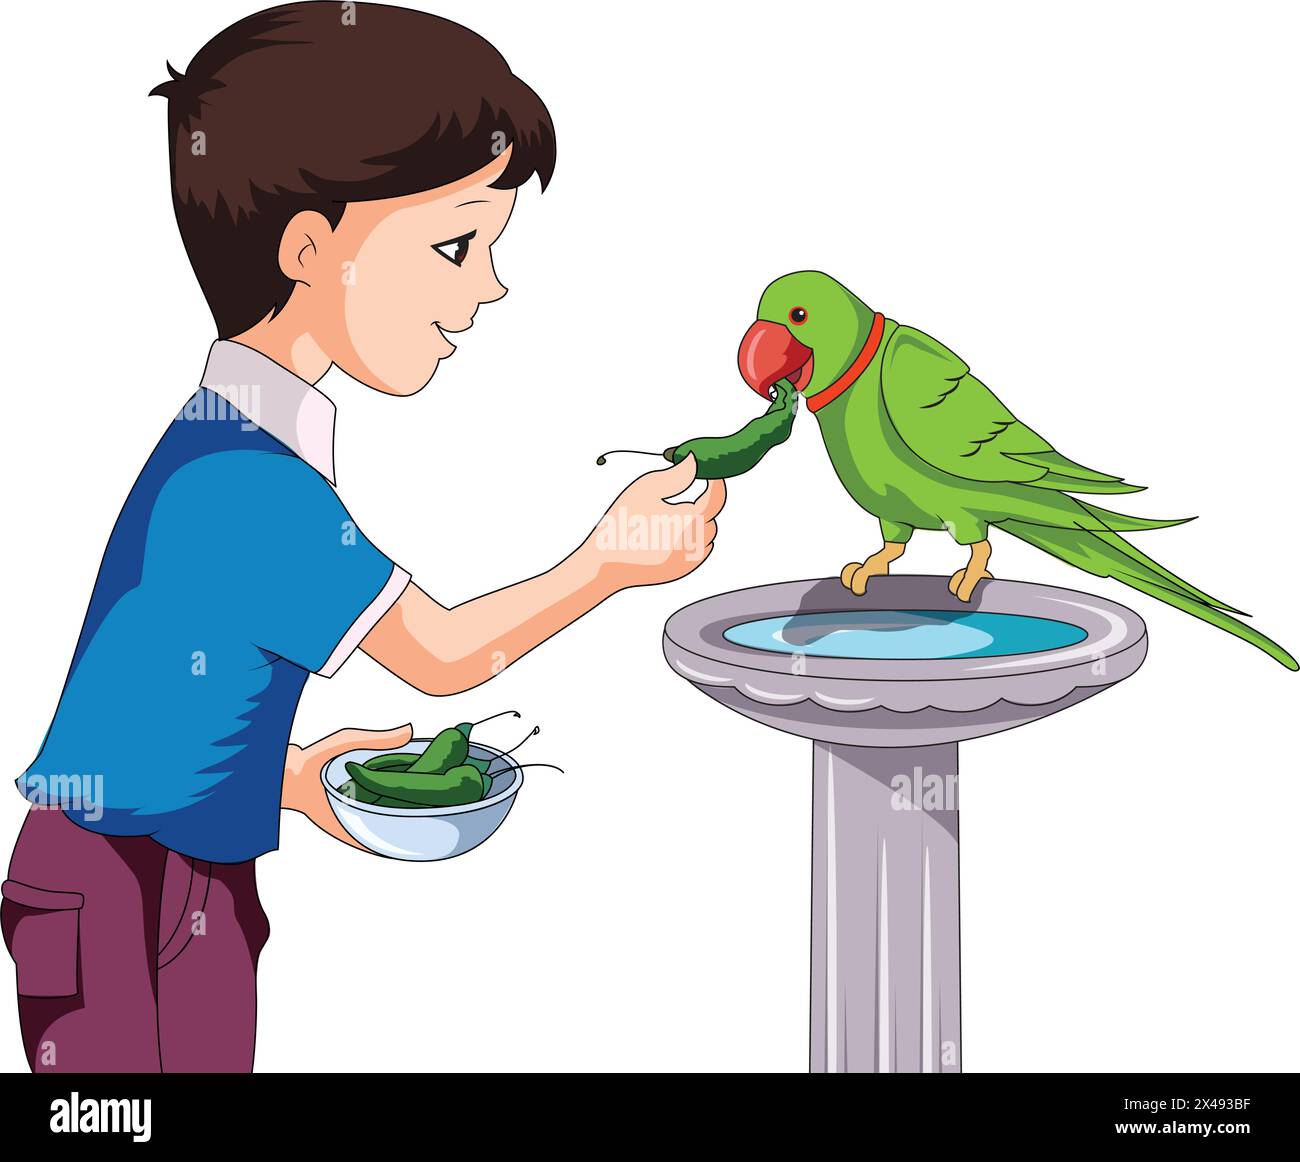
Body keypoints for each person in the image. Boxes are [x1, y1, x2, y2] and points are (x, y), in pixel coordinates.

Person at [2, 2, 723, 1073]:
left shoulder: (236, 447)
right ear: (307, 248)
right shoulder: (244, 483)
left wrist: (286, 776)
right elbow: (439, 659)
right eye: (453, 244)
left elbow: (156, 693)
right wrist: (608, 563)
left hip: (189, 862)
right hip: (115, 881)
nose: (488, 286)